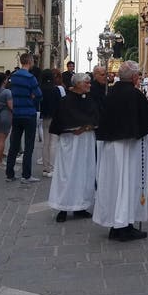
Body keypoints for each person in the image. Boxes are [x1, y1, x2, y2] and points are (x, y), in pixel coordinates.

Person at [94, 61, 148, 241]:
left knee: (113, 186)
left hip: (110, 147)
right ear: (135, 77)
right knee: (126, 184)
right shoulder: (135, 95)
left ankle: (115, 225)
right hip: (128, 148)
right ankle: (124, 226)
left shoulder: (111, 93)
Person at [48, 72, 99, 222]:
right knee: (68, 173)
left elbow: (96, 116)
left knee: (85, 173)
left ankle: (81, 206)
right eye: (86, 83)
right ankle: (63, 207)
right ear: (77, 84)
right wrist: (79, 127)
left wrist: (87, 126)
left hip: (86, 141)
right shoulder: (66, 101)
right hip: (71, 141)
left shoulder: (90, 99)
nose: (89, 85)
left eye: (89, 82)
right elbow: (61, 120)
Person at [5, 53, 43, 184]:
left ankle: (9, 174)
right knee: (29, 145)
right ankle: (26, 176)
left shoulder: (14, 76)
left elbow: (10, 91)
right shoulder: (31, 77)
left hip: (16, 113)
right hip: (29, 113)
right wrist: (32, 97)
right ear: (30, 62)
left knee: (14, 144)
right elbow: (39, 95)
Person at [39, 69, 63, 177]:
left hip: (45, 117)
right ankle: (52, 167)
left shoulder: (40, 89)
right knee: (53, 143)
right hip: (55, 117)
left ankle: (45, 168)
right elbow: (60, 103)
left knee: (46, 143)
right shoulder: (56, 89)